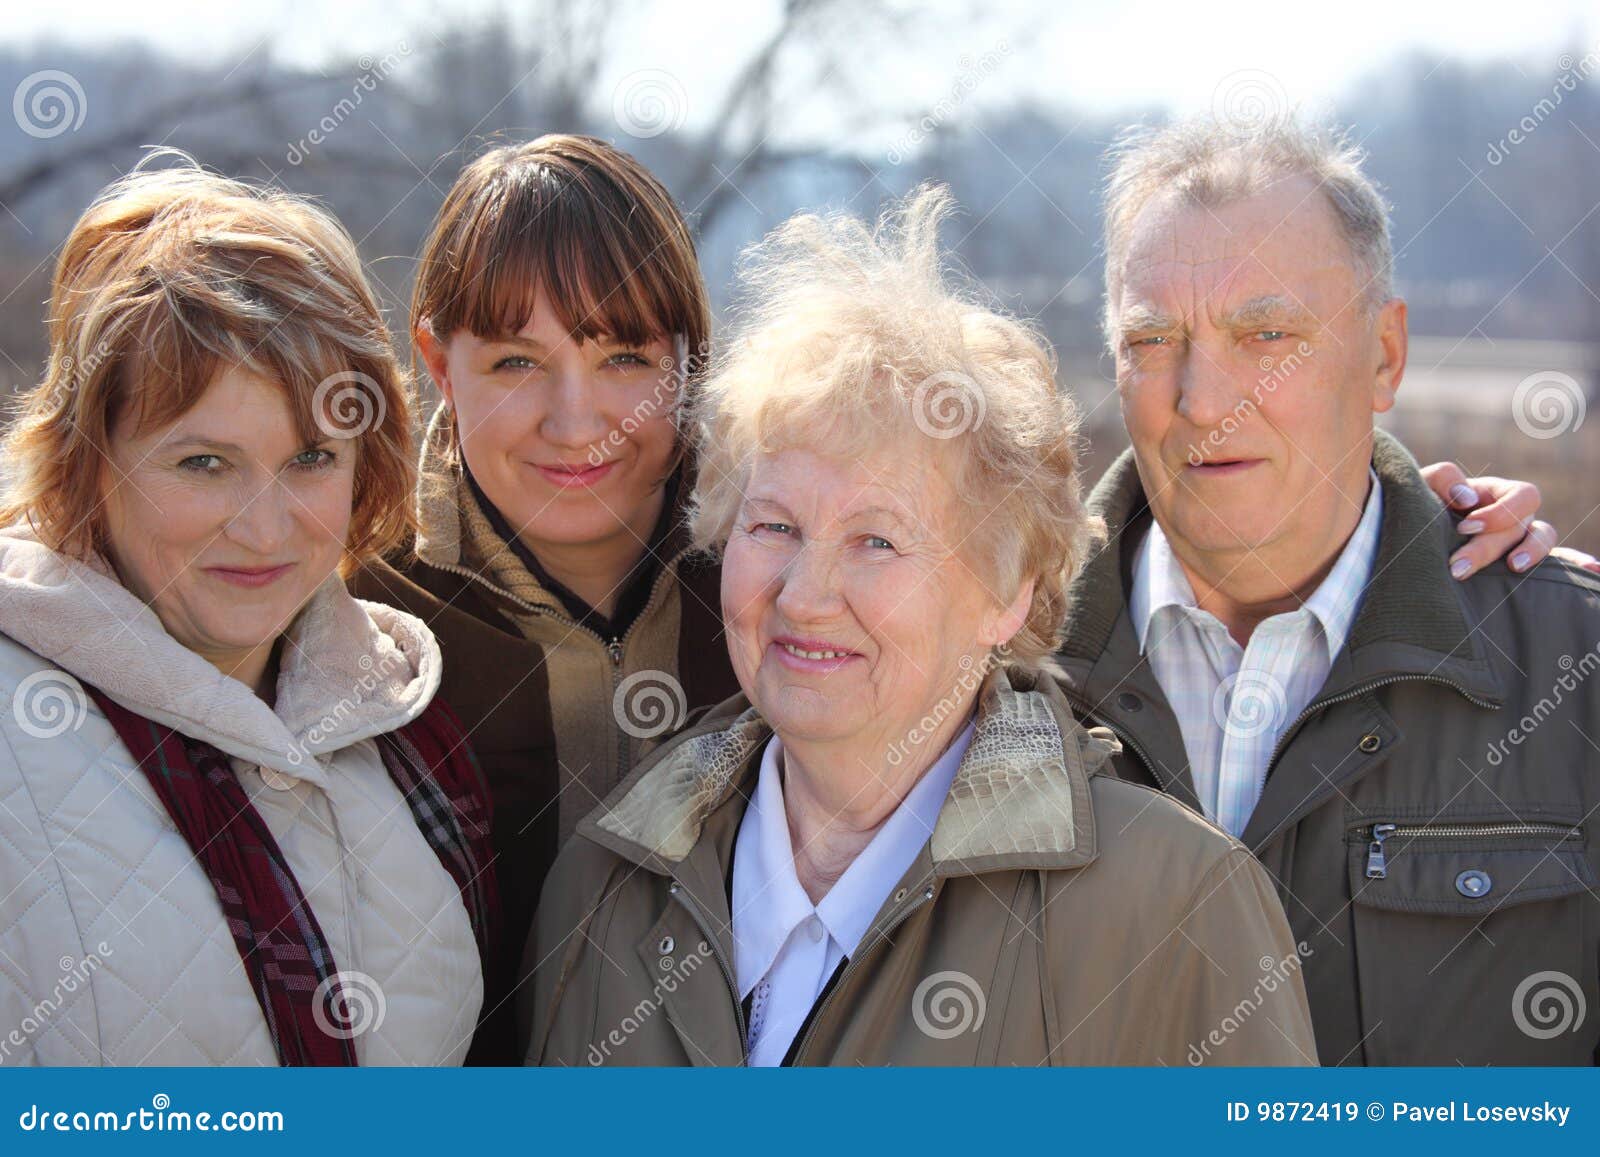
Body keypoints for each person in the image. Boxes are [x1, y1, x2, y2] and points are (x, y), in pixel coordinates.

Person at [523, 186, 1319, 1066]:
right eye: (774, 525)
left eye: (877, 540)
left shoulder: (1175, 907)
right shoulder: (603, 887)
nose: (804, 594)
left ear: (1007, 591)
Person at [1057, 115, 1600, 1064]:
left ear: (1384, 355)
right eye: (1153, 337)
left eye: (1267, 334)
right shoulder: (993, 671)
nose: (1203, 399)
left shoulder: (1574, 669)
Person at [0, 160, 493, 1066]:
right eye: (203, 463)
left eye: (310, 458)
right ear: (87, 461)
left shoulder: (409, 732)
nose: (264, 528)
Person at [349, 134, 741, 1062]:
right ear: (438, 364)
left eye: (625, 358)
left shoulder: (778, 576)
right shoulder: (351, 602)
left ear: (689, 362)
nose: (576, 423)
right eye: (517, 364)